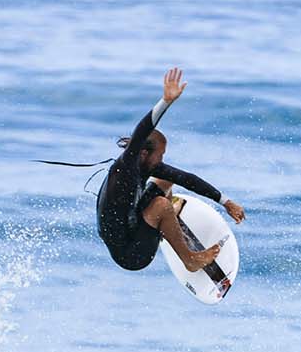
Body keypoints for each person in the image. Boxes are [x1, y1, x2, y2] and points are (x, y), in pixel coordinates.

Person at [94, 67, 246, 287]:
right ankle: (190, 259)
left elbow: (187, 178)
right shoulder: (126, 168)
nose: (162, 159)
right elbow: (141, 131)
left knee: (166, 180)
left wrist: (226, 201)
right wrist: (165, 101)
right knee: (161, 205)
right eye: (160, 154)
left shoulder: (144, 166)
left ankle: (166, 221)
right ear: (143, 153)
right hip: (129, 254)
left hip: (132, 223)